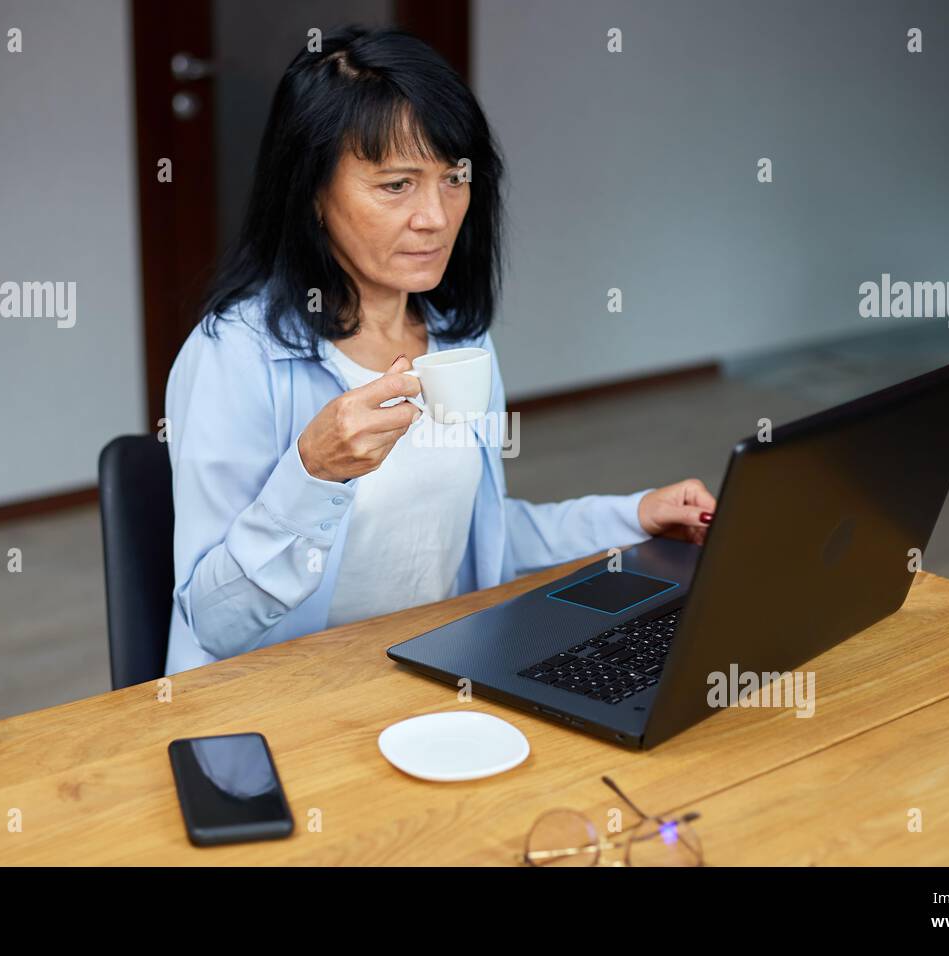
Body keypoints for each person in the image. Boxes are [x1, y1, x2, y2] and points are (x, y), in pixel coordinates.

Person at [164, 26, 715, 674]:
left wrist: (633, 516)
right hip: (283, 700)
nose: (436, 216)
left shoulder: (456, 335)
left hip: (434, 675)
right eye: (397, 185)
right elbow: (219, 624)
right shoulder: (236, 357)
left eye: (454, 177)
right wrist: (312, 474)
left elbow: (470, 536)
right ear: (312, 192)